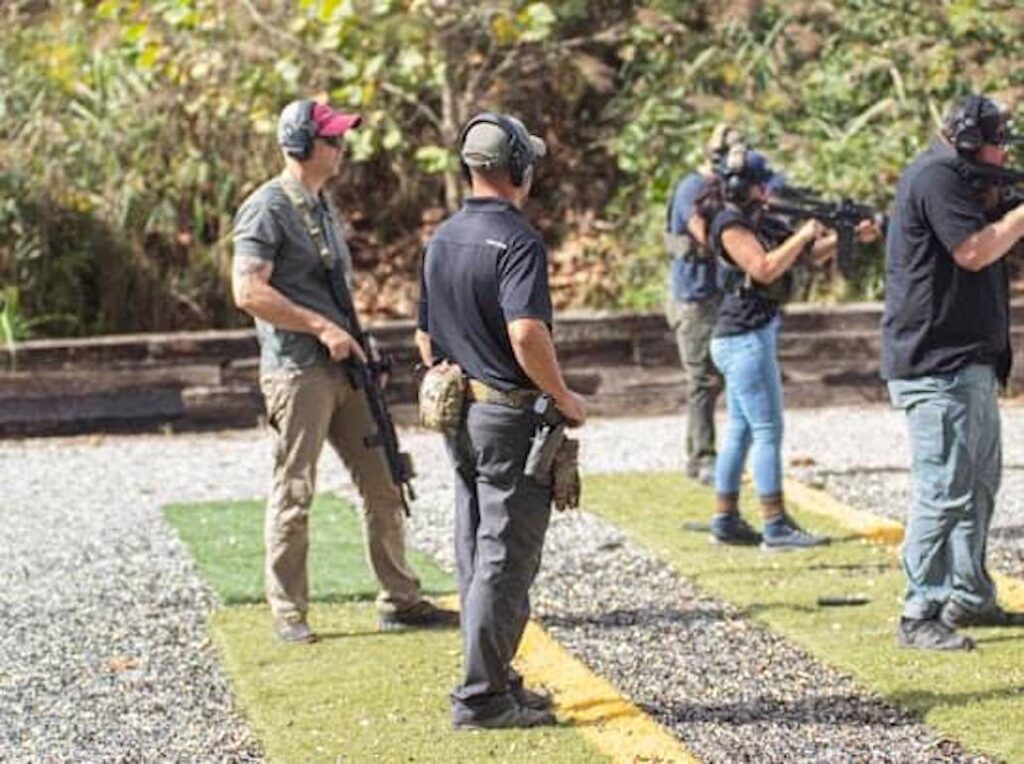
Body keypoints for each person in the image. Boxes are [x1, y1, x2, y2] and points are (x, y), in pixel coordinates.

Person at [231, 99, 457, 644]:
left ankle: (400, 598)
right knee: (295, 490)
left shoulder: (321, 206)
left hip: (342, 368)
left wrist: (358, 342)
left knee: (385, 481)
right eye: (331, 139)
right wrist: (320, 328)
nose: (341, 148)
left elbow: (334, 293)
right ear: (303, 145)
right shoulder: (267, 208)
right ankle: (289, 613)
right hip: (298, 372)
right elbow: (248, 290)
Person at [416, 112, 587, 729]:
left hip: (462, 416)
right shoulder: (518, 242)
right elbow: (525, 332)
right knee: (505, 559)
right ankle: (482, 698)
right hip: (509, 420)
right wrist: (564, 396)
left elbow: (424, 335)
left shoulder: (442, 237)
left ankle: (499, 677)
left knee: (475, 550)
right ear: (517, 167)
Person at [882, 93, 1024, 651]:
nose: (1001, 154)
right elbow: (972, 250)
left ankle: (970, 595)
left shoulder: (961, 177)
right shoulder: (938, 176)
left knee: (979, 485)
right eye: (996, 144)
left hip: (969, 361)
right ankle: (919, 612)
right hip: (936, 362)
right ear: (968, 141)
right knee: (943, 489)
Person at [705, 144, 874, 549]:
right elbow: (763, 269)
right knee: (767, 431)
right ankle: (776, 525)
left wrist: (843, 236)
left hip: (748, 335)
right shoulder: (730, 223)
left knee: (743, 432)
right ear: (757, 188)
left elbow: (805, 257)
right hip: (743, 337)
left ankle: (725, 519)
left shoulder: (759, 219)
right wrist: (802, 232)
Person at [663, 123, 744, 485]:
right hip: (694, 300)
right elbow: (708, 235)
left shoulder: (724, 189)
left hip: (716, 295)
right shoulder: (693, 189)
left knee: (716, 380)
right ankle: (701, 457)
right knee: (701, 379)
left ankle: (704, 453)